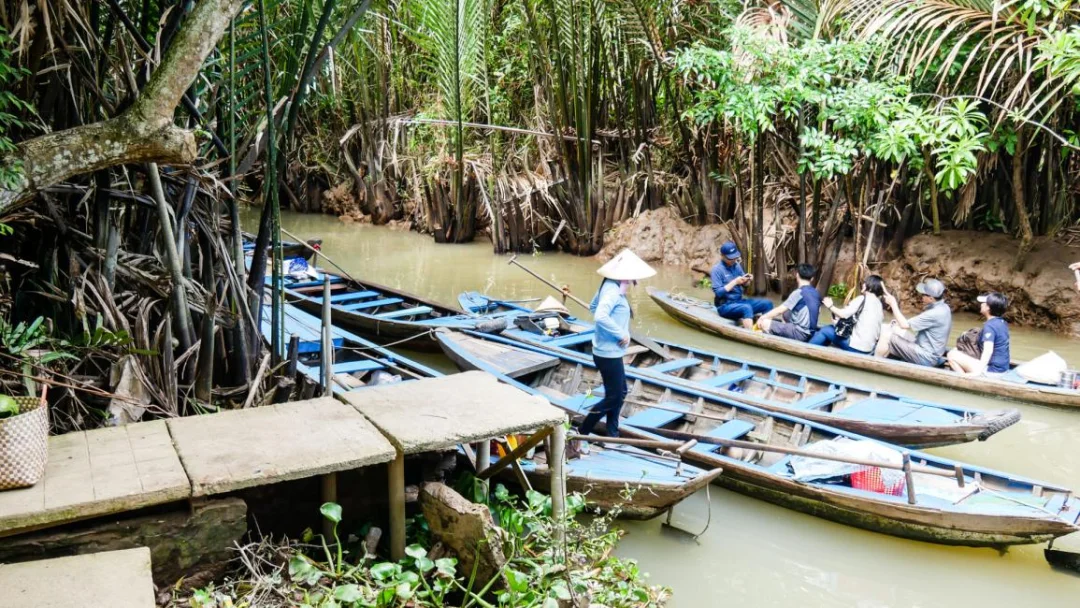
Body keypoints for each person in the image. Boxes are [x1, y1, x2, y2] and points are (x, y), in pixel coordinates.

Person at [579, 249, 656, 449]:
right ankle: (582, 432)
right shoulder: (612, 291)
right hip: (608, 353)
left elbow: (593, 306)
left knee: (620, 391)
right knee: (614, 396)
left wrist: (613, 332)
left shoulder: (609, 284)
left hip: (608, 351)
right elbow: (599, 315)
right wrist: (620, 334)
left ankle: (612, 435)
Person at [875, 278, 953, 367]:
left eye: (924, 295)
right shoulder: (945, 308)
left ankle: (875, 363)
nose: (921, 296)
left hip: (926, 357)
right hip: (928, 350)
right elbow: (907, 324)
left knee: (887, 336)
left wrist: (893, 304)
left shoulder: (933, 313)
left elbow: (904, 325)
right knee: (894, 328)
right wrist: (898, 323)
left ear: (931, 298)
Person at [809, 274, 886, 354]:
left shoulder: (862, 299)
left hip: (857, 347)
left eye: (865, 283)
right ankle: (820, 352)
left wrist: (830, 306)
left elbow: (843, 314)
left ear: (869, 287)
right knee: (832, 330)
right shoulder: (879, 304)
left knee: (826, 330)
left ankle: (807, 350)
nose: (863, 285)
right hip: (869, 348)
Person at [711, 241, 773, 329]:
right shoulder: (717, 270)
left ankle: (767, 330)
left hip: (739, 301)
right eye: (730, 258)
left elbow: (745, 286)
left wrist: (747, 281)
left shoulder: (736, 266)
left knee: (767, 303)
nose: (733, 260)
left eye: (734, 258)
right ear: (722, 256)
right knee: (746, 308)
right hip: (725, 306)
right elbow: (718, 293)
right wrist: (735, 282)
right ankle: (751, 335)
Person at [946, 292, 1010, 375]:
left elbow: (988, 350)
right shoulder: (1002, 322)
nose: (981, 304)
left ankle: (965, 380)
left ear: (988, 308)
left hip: (993, 371)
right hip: (1002, 368)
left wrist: (978, 372)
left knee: (951, 355)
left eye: (984, 303)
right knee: (956, 350)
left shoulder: (990, 326)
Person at [756, 264, 821, 342]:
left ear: (797, 275)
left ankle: (775, 337)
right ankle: (784, 330)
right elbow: (818, 311)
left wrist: (763, 317)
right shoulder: (816, 293)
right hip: (810, 332)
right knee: (787, 313)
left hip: (800, 334)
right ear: (812, 279)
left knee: (765, 323)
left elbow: (780, 310)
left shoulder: (799, 293)